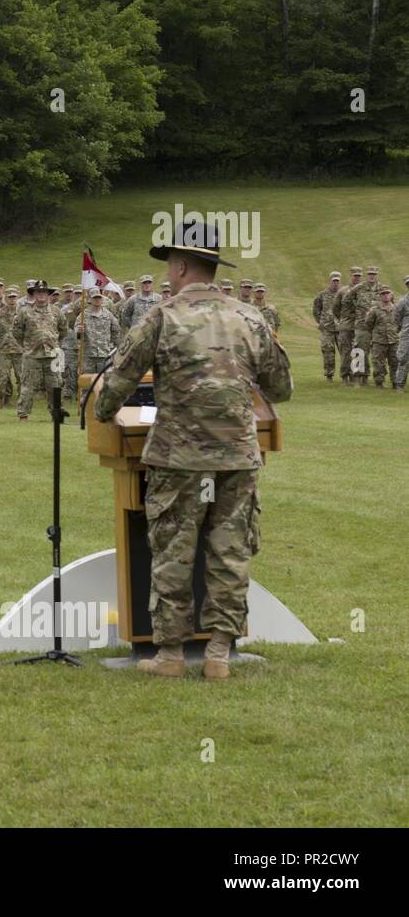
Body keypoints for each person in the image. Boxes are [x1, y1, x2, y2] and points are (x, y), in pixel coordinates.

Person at [95, 220, 292, 679]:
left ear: (181, 265)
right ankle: (220, 653)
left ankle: (168, 655)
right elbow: (280, 389)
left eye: (169, 267)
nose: (167, 276)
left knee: (173, 550)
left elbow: (117, 384)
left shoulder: (161, 317)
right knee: (230, 550)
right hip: (238, 455)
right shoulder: (250, 317)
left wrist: (104, 411)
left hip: (177, 456)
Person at [13, 281, 67, 420]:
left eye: (44, 292)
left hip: (54, 354)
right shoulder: (24, 311)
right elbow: (17, 332)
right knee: (27, 386)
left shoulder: (57, 311)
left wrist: (52, 343)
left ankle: (56, 414)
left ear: (48, 295)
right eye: (38, 292)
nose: (41, 294)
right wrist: (29, 345)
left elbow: (63, 331)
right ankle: (23, 415)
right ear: (34, 294)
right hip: (32, 355)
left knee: (56, 386)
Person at [78, 287, 121, 375]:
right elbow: (77, 334)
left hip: (105, 355)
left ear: (102, 299)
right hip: (88, 356)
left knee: (105, 383)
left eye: (99, 297)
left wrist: (113, 347)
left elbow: (116, 331)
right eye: (94, 298)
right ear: (90, 300)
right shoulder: (83, 316)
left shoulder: (108, 315)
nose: (97, 300)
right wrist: (79, 331)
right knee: (88, 383)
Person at [364, 286, 399, 389]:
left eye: (387, 293)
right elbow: (368, 323)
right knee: (378, 363)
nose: (385, 296)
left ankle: (396, 383)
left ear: (391, 295)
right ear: (380, 296)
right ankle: (380, 382)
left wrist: (395, 332)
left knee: (395, 362)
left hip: (394, 340)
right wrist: (377, 333)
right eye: (383, 294)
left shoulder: (396, 309)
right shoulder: (374, 310)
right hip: (379, 341)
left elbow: (400, 323)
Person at [334, 266, 363, 384]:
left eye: (359, 276)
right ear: (350, 276)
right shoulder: (343, 291)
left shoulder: (363, 291)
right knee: (346, 352)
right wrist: (343, 319)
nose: (357, 278)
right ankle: (345, 377)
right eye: (355, 276)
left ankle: (356, 376)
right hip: (346, 326)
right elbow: (335, 308)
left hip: (360, 326)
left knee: (358, 351)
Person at [312, 271, 341, 382]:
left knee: (345, 352)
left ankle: (346, 375)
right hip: (327, 329)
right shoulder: (322, 295)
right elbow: (316, 309)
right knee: (328, 352)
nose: (335, 283)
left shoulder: (344, 293)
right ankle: (329, 375)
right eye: (334, 281)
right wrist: (320, 322)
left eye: (337, 281)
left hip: (341, 328)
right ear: (330, 281)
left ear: (340, 282)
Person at [395, 276, 409, 393]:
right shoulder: (402, 301)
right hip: (406, 335)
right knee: (403, 359)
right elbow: (396, 319)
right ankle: (400, 385)